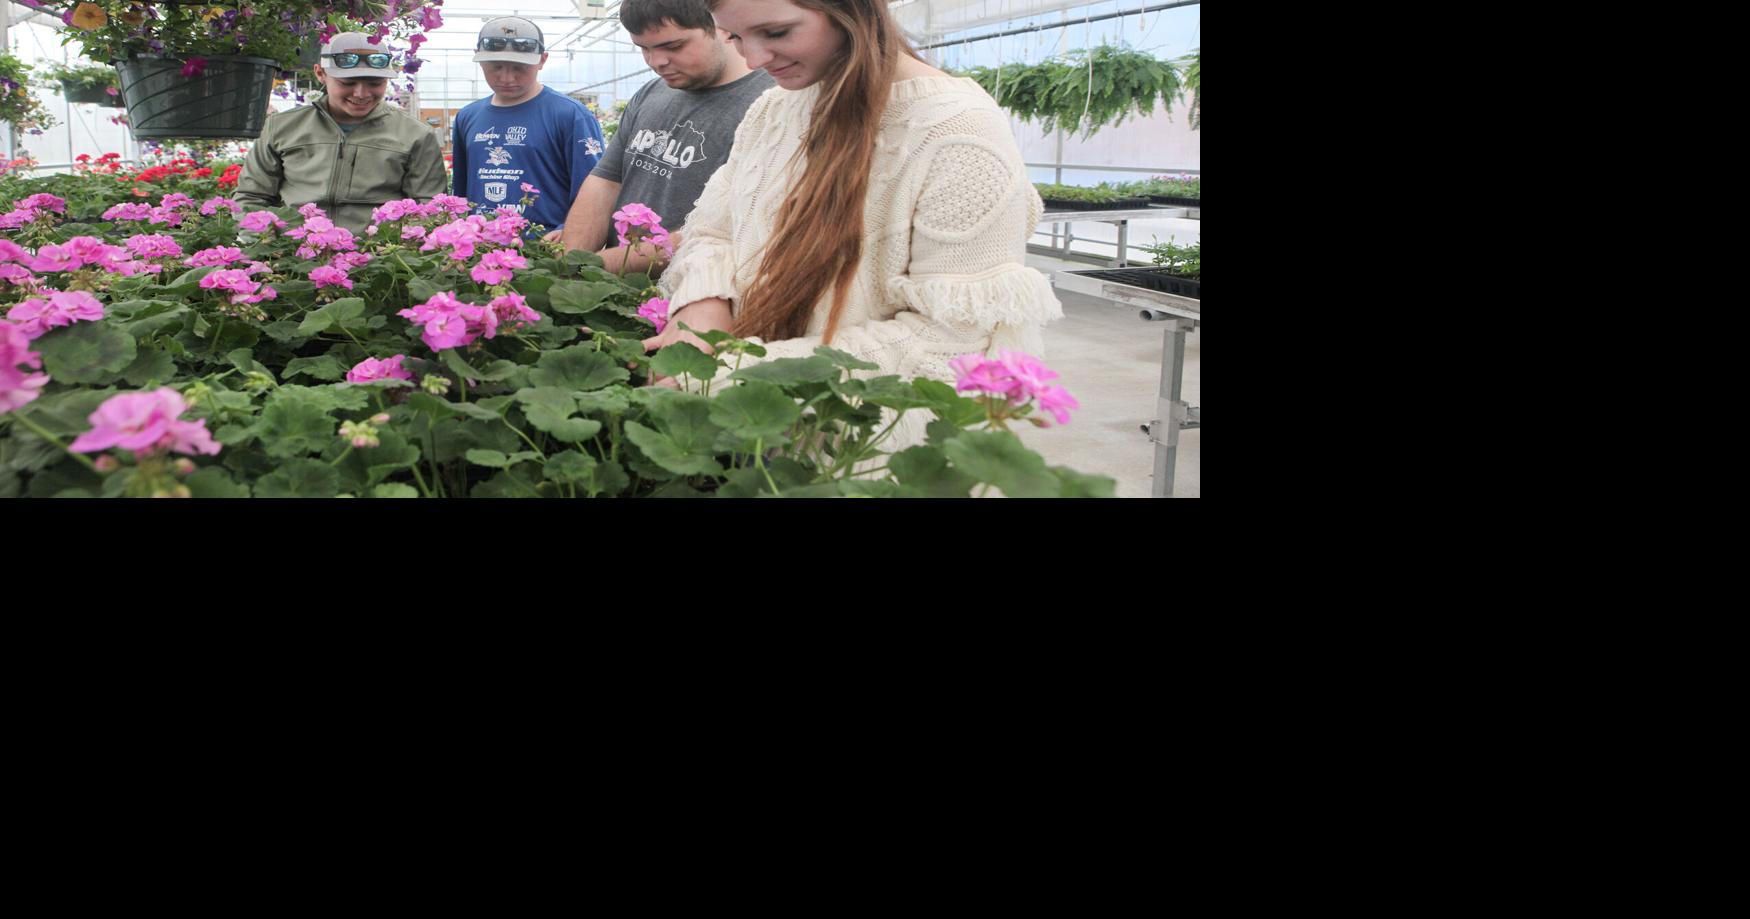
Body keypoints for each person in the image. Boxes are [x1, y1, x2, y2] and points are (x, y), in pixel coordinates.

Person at [650, 0, 1062, 446]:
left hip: (866, 447)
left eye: (777, 33)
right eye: (734, 36)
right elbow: (716, 229)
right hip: (759, 427)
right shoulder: (772, 109)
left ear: (852, 10)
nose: (753, 59)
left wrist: (738, 371)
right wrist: (703, 305)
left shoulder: (959, 133)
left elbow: (955, 338)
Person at [553, 0, 774, 272]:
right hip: (608, 287)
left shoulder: (769, 106)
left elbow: (730, 229)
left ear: (724, 27)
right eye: (644, 48)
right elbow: (606, 181)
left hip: (694, 294)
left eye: (674, 46)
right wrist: (570, 262)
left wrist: (596, 265)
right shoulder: (652, 92)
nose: (656, 62)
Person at [234, 32, 446, 235]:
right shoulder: (281, 127)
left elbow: (429, 206)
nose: (361, 93)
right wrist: (262, 246)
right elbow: (252, 196)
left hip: (379, 258)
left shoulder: (415, 135)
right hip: (294, 255)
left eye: (375, 83)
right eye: (347, 83)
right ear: (320, 73)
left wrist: (400, 250)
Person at [451, 17, 606, 235]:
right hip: (481, 248)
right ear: (477, 57)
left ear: (542, 60)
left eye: (519, 67)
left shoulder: (570, 115)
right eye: (496, 67)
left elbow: (595, 188)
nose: (506, 77)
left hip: (546, 248)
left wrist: (570, 230)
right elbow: (461, 190)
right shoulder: (468, 116)